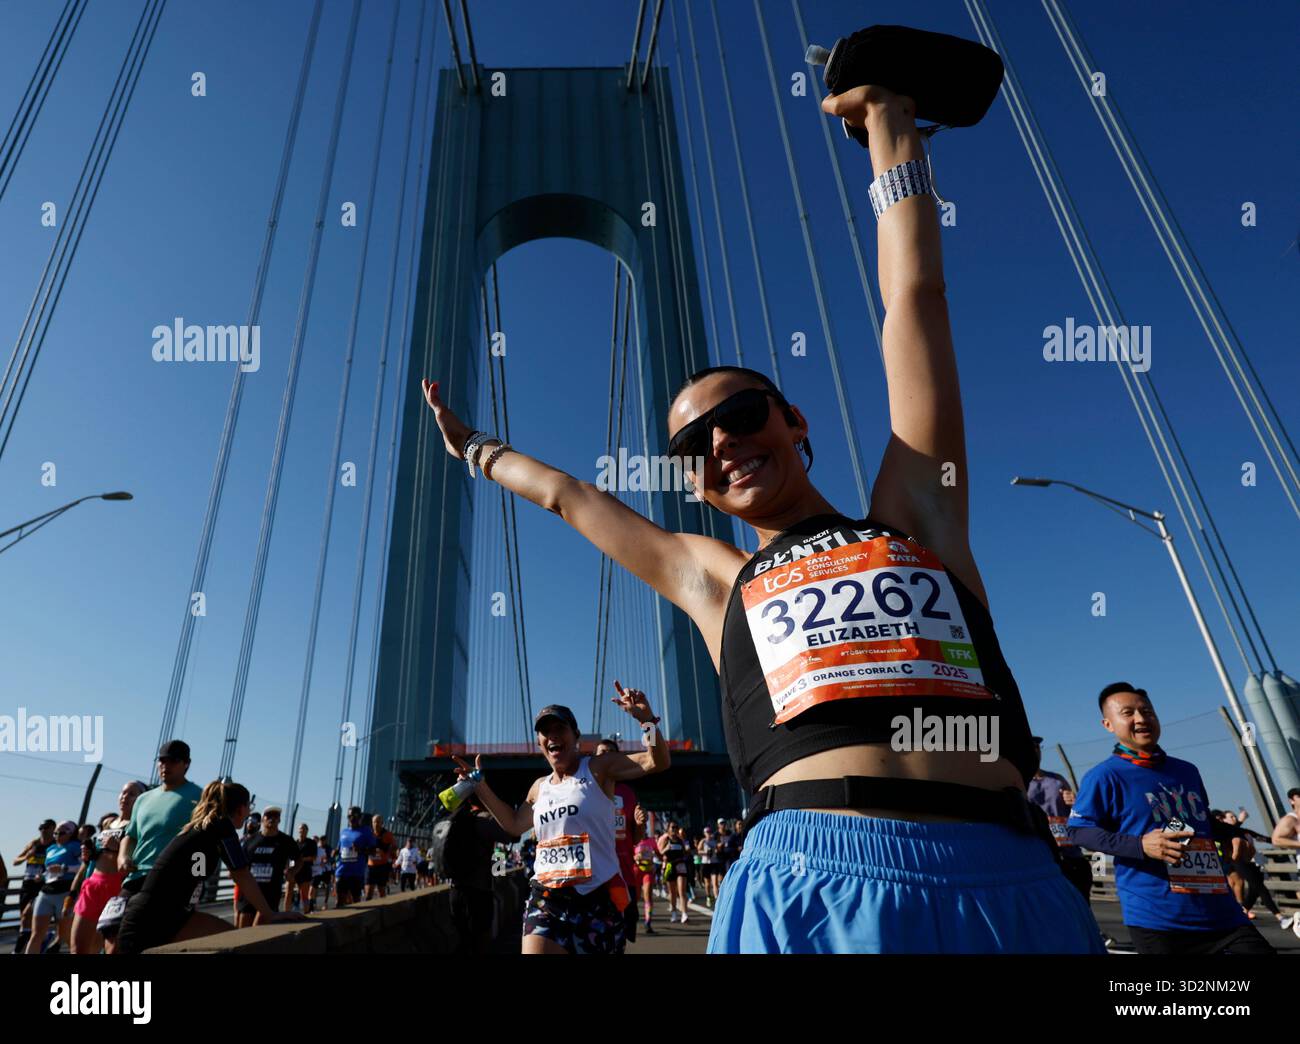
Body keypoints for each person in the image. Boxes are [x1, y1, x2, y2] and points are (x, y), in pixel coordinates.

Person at [452, 687, 669, 954]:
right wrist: (479, 786)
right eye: (546, 731)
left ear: (575, 736)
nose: (553, 736)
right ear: (540, 742)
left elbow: (656, 762)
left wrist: (645, 720)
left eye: (560, 729)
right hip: (547, 898)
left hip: (597, 898)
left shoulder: (598, 768)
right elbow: (513, 824)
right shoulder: (539, 788)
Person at [1066, 682, 1273, 955]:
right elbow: (1079, 831)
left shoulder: (1186, 771)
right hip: (1159, 918)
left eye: (1147, 711)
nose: (1141, 719)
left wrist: (1233, 835)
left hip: (1222, 912)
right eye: (1128, 713)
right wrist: (1141, 845)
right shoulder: (1105, 776)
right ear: (1108, 724)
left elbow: (1202, 823)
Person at [115, 781, 303, 953]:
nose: (248, 815)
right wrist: (270, 914)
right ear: (241, 808)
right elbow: (241, 875)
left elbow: (193, 871)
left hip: (163, 913)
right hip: (156, 916)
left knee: (237, 942)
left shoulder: (202, 829)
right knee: (241, 945)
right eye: (249, 808)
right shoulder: (221, 826)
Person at [114, 740, 203, 944]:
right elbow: (131, 834)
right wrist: (123, 856)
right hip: (136, 877)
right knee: (113, 935)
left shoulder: (200, 797)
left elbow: (204, 844)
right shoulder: (144, 799)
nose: (165, 765)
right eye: (161, 761)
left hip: (172, 880)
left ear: (186, 764)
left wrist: (198, 878)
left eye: (172, 761)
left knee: (156, 941)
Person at [71, 781, 145, 954]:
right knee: (78, 948)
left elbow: (141, 857)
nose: (125, 796)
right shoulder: (109, 824)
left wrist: (117, 848)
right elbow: (96, 857)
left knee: (111, 950)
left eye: (132, 794)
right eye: (123, 792)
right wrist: (89, 854)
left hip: (118, 888)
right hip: (93, 885)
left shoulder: (139, 825)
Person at [1026, 737, 1092, 904]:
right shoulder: (1019, 782)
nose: (1035, 750)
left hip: (1070, 853)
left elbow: (1076, 813)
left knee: (1081, 904)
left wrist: (1077, 803)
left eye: (1037, 746)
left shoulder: (1056, 780)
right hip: (1039, 857)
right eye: (1029, 747)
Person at [595, 737, 644, 944]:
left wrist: (640, 824)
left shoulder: (628, 793)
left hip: (624, 874)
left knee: (622, 934)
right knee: (596, 932)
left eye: (610, 753)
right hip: (595, 876)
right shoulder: (584, 789)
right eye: (601, 753)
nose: (606, 757)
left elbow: (635, 839)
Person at [24, 821, 82, 953]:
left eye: (61, 832)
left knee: (66, 935)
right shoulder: (50, 849)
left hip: (65, 892)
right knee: (36, 934)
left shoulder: (76, 846)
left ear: (71, 833)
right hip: (46, 891)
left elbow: (84, 867)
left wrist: (64, 868)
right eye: (55, 832)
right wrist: (42, 876)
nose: (57, 835)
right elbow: (49, 870)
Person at [236, 806, 298, 928]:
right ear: (262, 820)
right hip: (249, 893)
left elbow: (299, 859)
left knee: (257, 930)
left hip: (270, 894)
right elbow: (240, 865)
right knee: (242, 932)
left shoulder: (286, 841)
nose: (272, 819)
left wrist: (292, 871)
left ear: (279, 820)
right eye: (269, 816)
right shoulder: (251, 841)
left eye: (276, 816)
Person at [11, 819, 55, 953]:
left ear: (53, 829)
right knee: (25, 919)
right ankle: (43, 938)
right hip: (27, 883)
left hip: (42, 884)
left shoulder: (54, 846)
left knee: (26, 915)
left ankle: (18, 950)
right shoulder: (33, 844)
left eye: (46, 827)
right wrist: (26, 857)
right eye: (41, 827)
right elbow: (15, 862)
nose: (43, 830)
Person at [335, 807, 376, 907]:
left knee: (356, 902)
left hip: (356, 873)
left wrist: (361, 849)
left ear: (360, 817)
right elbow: (339, 848)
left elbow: (373, 851)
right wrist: (334, 852)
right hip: (342, 871)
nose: (351, 818)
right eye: (349, 816)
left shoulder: (366, 831)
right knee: (339, 902)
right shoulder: (343, 831)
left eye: (354, 816)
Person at [658, 821, 690, 925]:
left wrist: (687, 850)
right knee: (672, 892)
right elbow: (660, 852)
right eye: (672, 827)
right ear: (668, 829)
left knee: (682, 891)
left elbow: (686, 853)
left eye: (676, 827)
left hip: (680, 865)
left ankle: (684, 914)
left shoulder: (680, 840)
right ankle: (674, 913)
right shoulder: (666, 840)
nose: (674, 829)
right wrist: (666, 849)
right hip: (669, 866)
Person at [632, 811, 659, 935]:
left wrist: (659, 857)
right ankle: (634, 918)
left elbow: (659, 853)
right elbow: (628, 855)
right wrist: (635, 857)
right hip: (636, 870)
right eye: (640, 827)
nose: (642, 829)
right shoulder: (634, 841)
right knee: (636, 897)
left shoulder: (652, 841)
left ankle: (648, 922)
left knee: (648, 895)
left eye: (644, 827)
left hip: (648, 871)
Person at [288, 824, 317, 912]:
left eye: (304, 829)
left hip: (305, 870)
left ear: (307, 831)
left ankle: (306, 913)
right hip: (294, 870)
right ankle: (286, 913)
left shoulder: (311, 843)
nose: (302, 831)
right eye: (300, 829)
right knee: (288, 893)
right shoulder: (294, 843)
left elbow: (313, 857)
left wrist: (301, 859)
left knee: (304, 894)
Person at [366, 814, 395, 900]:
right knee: (368, 892)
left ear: (382, 823)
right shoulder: (369, 834)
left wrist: (388, 851)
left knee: (381, 891)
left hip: (382, 866)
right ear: (372, 823)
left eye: (378, 822)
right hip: (370, 866)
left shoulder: (387, 834)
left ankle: (382, 910)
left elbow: (394, 847)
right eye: (374, 822)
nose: (376, 824)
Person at [697, 826, 721, 908]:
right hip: (705, 863)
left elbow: (718, 849)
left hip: (714, 862)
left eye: (710, 832)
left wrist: (717, 850)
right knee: (707, 883)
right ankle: (708, 896)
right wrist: (705, 852)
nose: (709, 834)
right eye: (707, 832)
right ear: (704, 833)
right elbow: (698, 851)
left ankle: (717, 898)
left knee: (715, 883)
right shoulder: (703, 841)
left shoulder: (714, 841)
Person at [310, 837, 332, 910]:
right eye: (321, 841)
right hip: (317, 871)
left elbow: (330, 858)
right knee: (314, 887)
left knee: (327, 885)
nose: (322, 842)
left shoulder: (328, 848)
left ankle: (325, 902)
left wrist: (326, 861)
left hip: (326, 870)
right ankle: (314, 902)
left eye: (323, 840)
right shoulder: (314, 848)